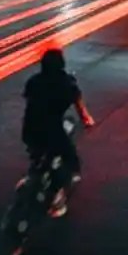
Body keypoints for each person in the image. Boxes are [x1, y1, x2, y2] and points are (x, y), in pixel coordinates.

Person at [21, 48, 95, 218]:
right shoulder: (66, 83)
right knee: (71, 161)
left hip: (29, 129)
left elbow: (29, 100)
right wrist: (86, 118)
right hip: (52, 131)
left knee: (36, 152)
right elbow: (79, 104)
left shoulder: (33, 81)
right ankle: (57, 199)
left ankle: (32, 175)